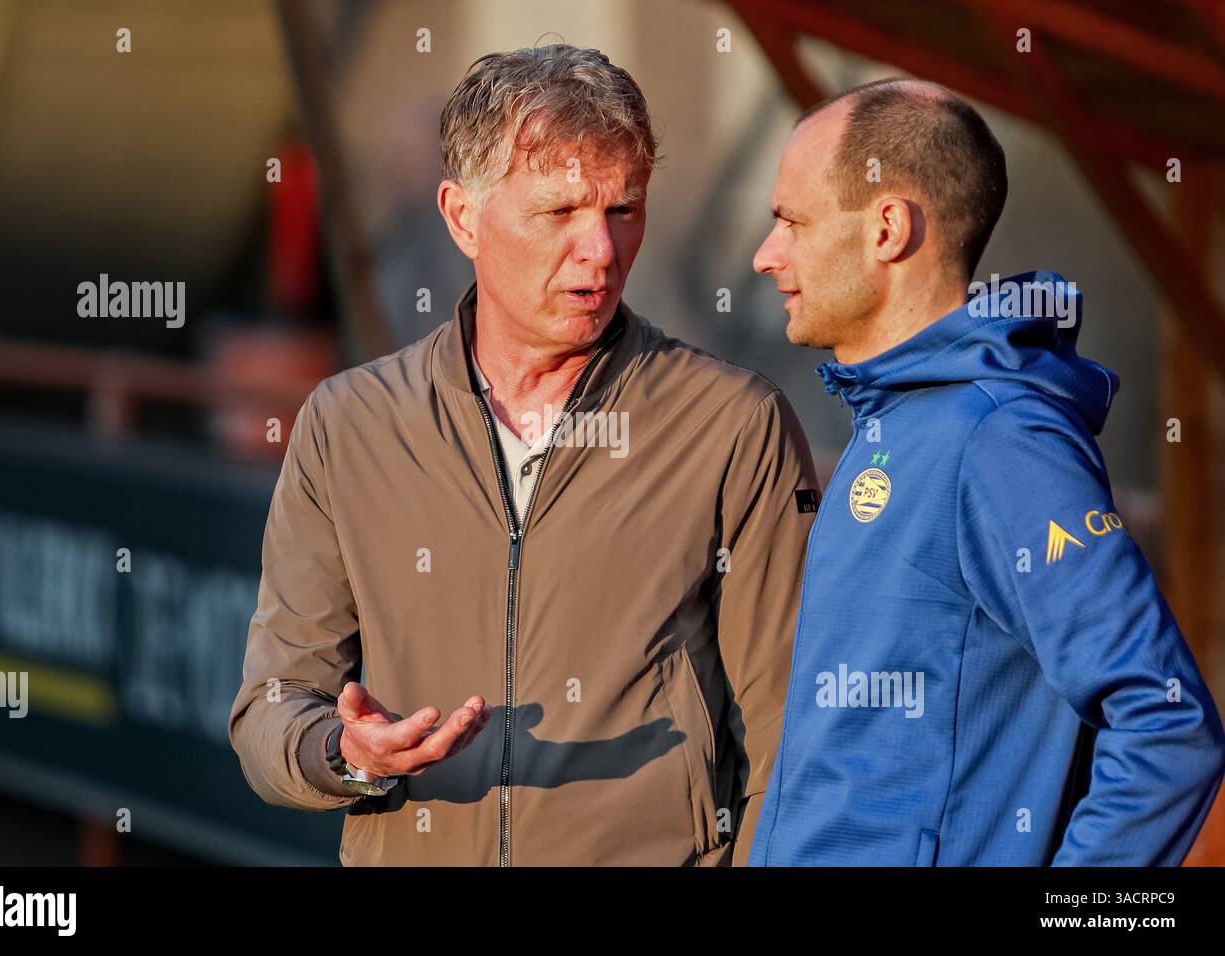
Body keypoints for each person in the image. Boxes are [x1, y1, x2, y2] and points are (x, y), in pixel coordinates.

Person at [229, 44, 819, 866]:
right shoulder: (347, 423)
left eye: (624, 209)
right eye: (560, 211)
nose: (601, 249)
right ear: (462, 216)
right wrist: (345, 754)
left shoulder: (734, 424)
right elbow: (272, 706)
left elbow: (790, 739)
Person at [748, 78, 1225, 866]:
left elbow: (1168, 726)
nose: (766, 255)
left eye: (791, 222)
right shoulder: (898, 420)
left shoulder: (1001, 439)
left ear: (888, 229)